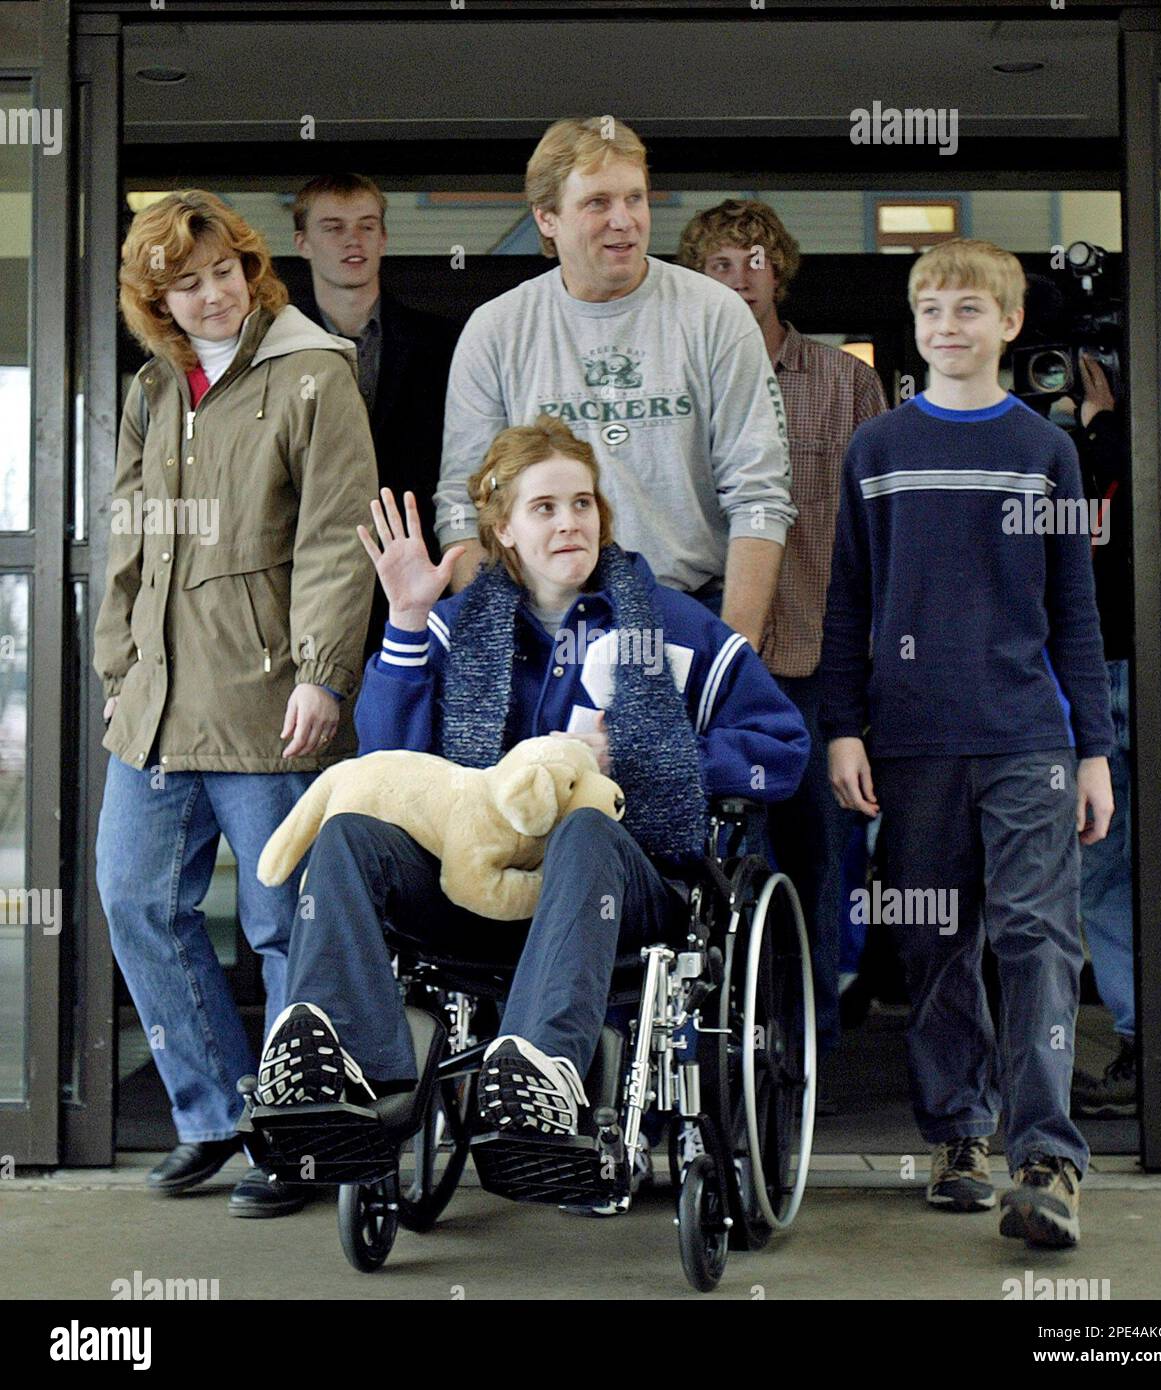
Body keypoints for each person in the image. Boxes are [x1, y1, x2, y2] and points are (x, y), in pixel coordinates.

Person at [253, 415, 809, 1169]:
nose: (570, 522)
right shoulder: (455, 627)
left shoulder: (675, 628)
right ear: (503, 529)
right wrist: (410, 620)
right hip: (473, 885)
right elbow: (392, 765)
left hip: (625, 886)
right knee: (351, 828)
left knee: (583, 832)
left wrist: (649, 755)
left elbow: (781, 750)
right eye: (544, 508)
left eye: (582, 504)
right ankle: (357, 1073)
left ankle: (540, 1088)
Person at [820, 239, 1114, 1249]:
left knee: (1039, 940)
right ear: (914, 326)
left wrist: (1092, 748)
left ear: (1011, 323)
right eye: (932, 310)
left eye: (969, 311)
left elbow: (1075, 607)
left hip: (1026, 734)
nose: (949, 327)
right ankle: (957, 1135)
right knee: (935, 942)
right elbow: (848, 599)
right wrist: (844, 727)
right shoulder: (878, 450)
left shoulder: (1048, 450)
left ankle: (1048, 1159)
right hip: (908, 741)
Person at [93, 190, 378, 1217]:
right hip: (157, 706)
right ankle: (213, 1112)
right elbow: (127, 536)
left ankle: (296, 1138)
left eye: (226, 272)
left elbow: (339, 536)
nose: (212, 295)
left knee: (278, 924)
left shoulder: (314, 376)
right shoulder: (151, 392)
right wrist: (116, 662)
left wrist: (321, 672)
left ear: (251, 271)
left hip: (269, 701)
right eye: (187, 281)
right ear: (158, 298)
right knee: (133, 895)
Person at [433, 117, 794, 650]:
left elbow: (759, 493)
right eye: (598, 203)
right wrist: (496, 646)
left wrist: (734, 647)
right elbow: (465, 502)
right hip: (545, 626)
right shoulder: (497, 329)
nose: (624, 221)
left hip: (692, 613)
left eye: (635, 198)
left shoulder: (715, 314)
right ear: (547, 217)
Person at [677, 198, 887, 1065]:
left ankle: (805, 1055)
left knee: (814, 864)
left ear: (780, 268)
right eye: (718, 263)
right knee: (709, 863)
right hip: (704, 663)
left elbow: (883, 528)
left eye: (752, 259)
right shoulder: (680, 376)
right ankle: (718, 1050)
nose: (737, 276)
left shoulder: (843, 382)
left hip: (809, 657)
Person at [290, 173, 458, 660]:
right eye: (333, 227)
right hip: (308, 578)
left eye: (366, 226)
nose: (353, 240)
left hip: (415, 574)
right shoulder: (274, 350)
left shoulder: (441, 345)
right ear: (302, 243)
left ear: (384, 239)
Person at [1065, 355, 1136, 1116]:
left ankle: (1148, 1043)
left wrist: (1102, 426)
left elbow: (1112, 523)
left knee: (1108, 873)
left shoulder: (1122, 445)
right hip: (1115, 667)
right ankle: (1147, 1043)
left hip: (1120, 667)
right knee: (1110, 872)